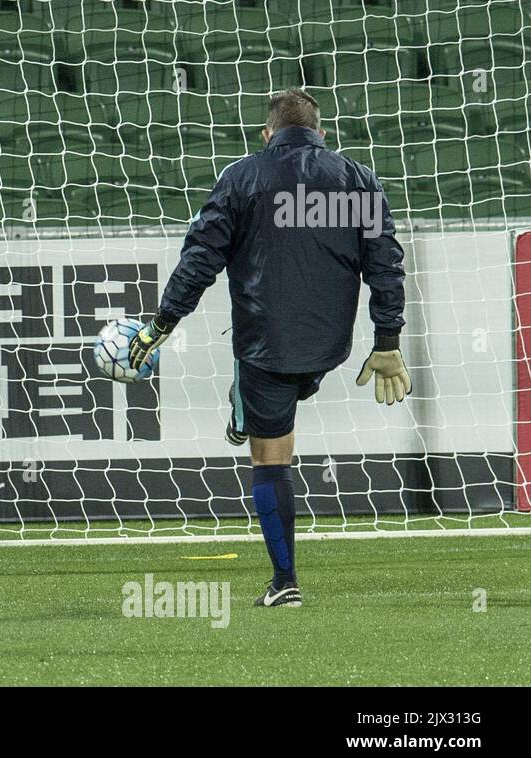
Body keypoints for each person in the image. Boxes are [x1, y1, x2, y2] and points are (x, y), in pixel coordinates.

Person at [128, 88, 412, 607]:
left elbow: (201, 258)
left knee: (270, 457)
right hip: (331, 345)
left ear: (267, 134)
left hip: (264, 345)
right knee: (282, 398)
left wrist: (162, 322)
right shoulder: (355, 178)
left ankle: (286, 582)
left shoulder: (243, 176)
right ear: (321, 134)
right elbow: (385, 261)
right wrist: (388, 340)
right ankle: (250, 407)